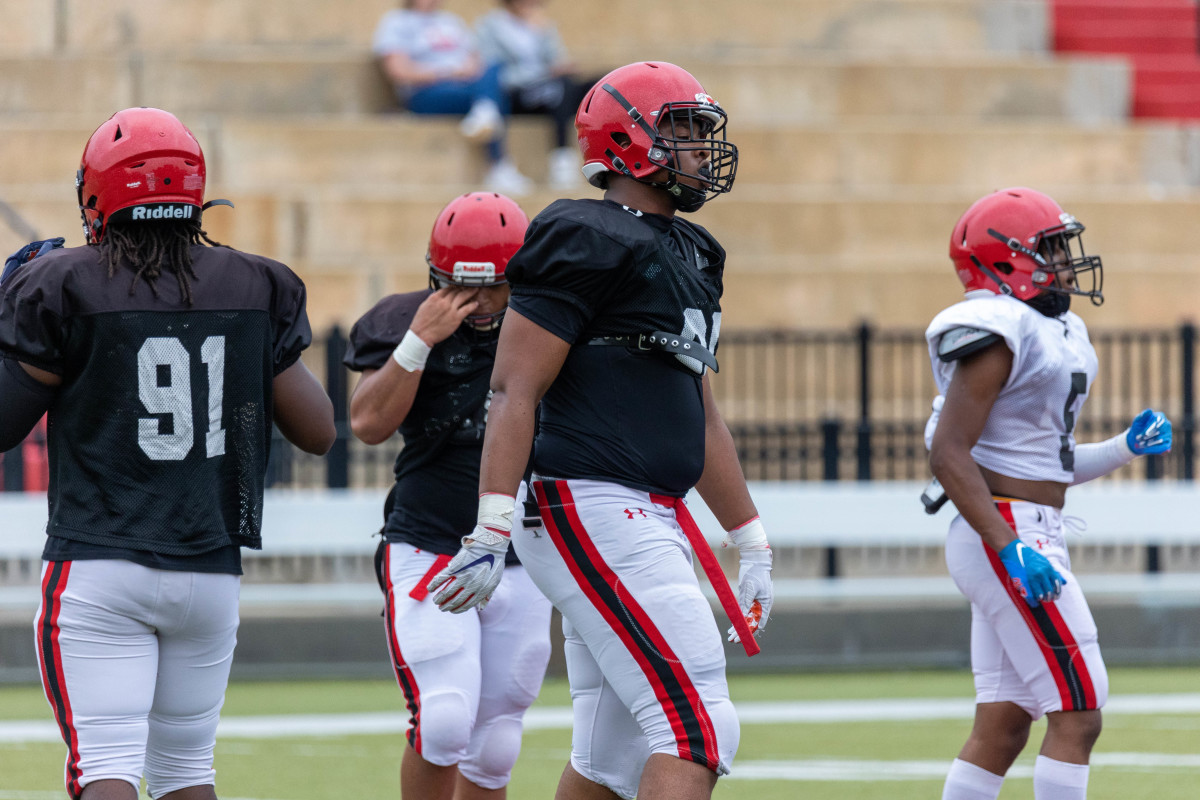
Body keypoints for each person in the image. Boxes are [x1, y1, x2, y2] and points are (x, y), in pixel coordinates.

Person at [424, 62, 774, 800]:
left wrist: (749, 535)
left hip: (646, 509)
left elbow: (698, 407)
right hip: (586, 502)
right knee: (699, 731)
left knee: (610, 760)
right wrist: (490, 527)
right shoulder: (583, 232)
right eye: (682, 129)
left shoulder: (695, 251)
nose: (700, 147)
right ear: (627, 141)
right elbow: (516, 386)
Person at [0, 107, 336, 800]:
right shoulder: (257, 284)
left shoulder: (62, 284)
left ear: (99, 194)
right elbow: (320, 432)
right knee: (187, 772)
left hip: (101, 563)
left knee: (106, 767)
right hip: (210, 572)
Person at [926, 187, 1173, 800]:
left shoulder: (1051, 327)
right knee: (1081, 707)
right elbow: (949, 453)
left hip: (1022, 524)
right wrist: (1009, 546)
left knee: (1005, 723)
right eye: (1052, 249)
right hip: (1003, 530)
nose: (1066, 261)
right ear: (1004, 259)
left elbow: (1045, 469)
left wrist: (1123, 448)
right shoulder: (995, 325)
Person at [343, 191, 551, 800]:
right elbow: (367, 424)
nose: (480, 303)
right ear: (436, 278)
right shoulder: (407, 322)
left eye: (494, 288)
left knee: (496, 741)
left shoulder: (548, 327)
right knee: (444, 719)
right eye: (462, 287)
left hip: (523, 554)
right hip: (430, 541)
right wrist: (419, 341)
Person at [373, 0, 533, 196]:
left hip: (465, 87)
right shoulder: (397, 22)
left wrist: (469, 69)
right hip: (425, 94)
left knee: (494, 67)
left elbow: (476, 58)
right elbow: (398, 70)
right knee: (493, 97)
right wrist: (448, 72)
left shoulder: (451, 22)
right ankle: (498, 161)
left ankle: (484, 113)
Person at [474, 0, 600, 189]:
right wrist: (543, 73)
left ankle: (570, 156)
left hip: (549, 88)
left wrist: (556, 61)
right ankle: (561, 159)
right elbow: (493, 71)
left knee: (595, 82)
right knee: (561, 87)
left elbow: (558, 58)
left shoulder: (543, 26)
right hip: (515, 91)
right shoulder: (490, 26)